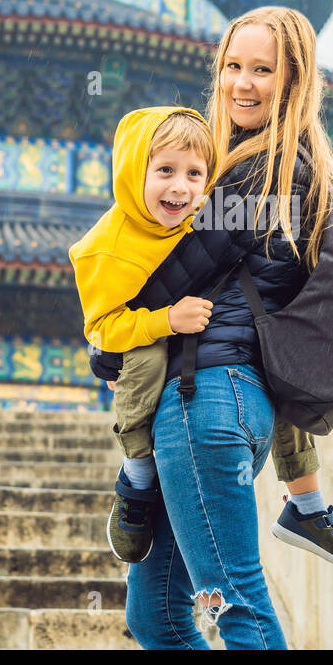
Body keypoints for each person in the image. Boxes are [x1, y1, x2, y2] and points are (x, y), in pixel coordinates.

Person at [91, 6, 333, 649]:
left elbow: (180, 274)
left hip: (207, 401)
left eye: (262, 70)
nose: (241, 83)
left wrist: (110, 340)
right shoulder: (282, 170)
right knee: (158, 617)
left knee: (236, 604)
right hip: (230, 412)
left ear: (295, 82)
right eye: (232, 66)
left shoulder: (260, 173)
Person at [67, 105, 220, 562]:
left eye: (195, 173)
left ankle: (304, 498)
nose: (180, 187)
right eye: (165, 170)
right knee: (146, 358)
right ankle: (136, 474)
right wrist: (166, 321)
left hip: (204, 344)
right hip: (147, 340)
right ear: (135, 170)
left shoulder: (204, 221)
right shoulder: (104, 250)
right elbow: (102, 328)